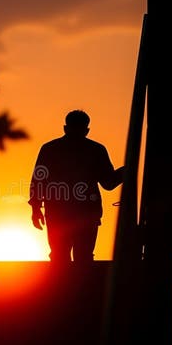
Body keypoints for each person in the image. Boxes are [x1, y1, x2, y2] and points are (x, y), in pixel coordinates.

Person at [29, 110, 123, 265]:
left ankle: (62, 288)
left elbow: (38, 182)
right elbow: (108, 182)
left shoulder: (50, 149)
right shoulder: (95, 150)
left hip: (61, 214)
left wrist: (35, 208)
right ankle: (79, 288)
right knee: (82, 258)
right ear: (87, 130)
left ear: (65, 128)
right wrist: (127, 171)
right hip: (84, 214)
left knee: (61, 257)